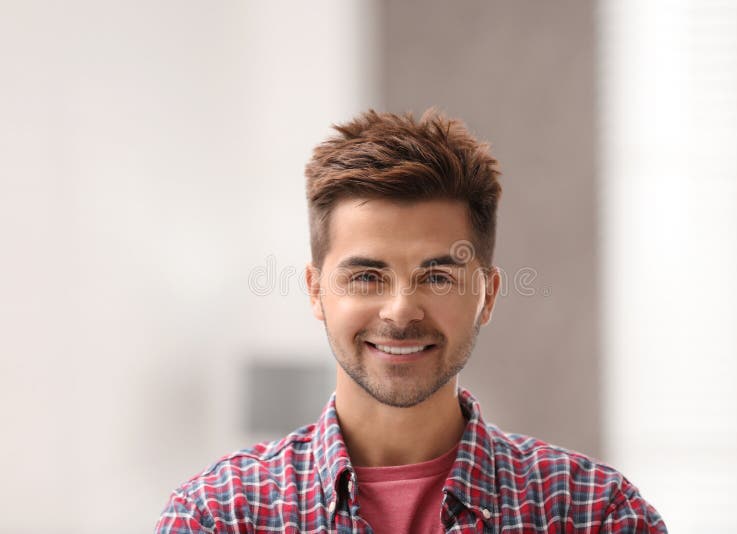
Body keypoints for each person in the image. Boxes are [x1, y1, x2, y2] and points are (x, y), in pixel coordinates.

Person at [155, 110, 667, 533]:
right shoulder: (218, 517)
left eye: (438, 277)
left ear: (486, 295)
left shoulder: (595, 515)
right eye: (367, 277)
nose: (400, 310)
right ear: (316, 291)